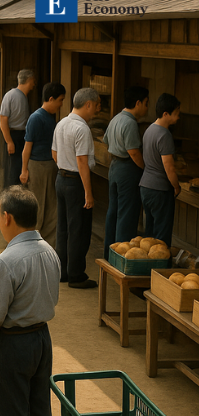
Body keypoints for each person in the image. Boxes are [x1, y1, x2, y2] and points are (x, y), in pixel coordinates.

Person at [0, 186, 60, 416]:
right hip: (42, 339)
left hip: (13, 343)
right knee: (39, 412)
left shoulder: (7, 261)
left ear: (7, 217)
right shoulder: (50, 252)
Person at [52, 87, 100, 289]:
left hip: (61, 178)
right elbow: (82, 162)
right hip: (75, 182)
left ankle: (62, 271)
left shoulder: (61, 123)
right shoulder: (82, 128)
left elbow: (54, 153)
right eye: (96, 105)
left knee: (63, 227)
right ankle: (76, 274)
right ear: (88, 104)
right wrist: (88, 192)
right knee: (78, 229)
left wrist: (64, 166)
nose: (97, 109)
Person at [103, 86, 149, 258]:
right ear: (138, 103)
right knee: (126, 215)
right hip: (127, 169)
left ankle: (109, 253)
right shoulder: (130, 123)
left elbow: (106, 140)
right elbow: (134, 152)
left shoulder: (115, 118)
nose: (147, 107)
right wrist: (146, 169)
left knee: (113, 212)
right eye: (146, 103)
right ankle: (121, 256)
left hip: (115, 167)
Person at [20, 82, 65, 249]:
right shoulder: (36, 118)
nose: (61, 104)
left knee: (52, 209)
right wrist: (24, 170)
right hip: (37, 166)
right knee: (38, 206)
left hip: (50, 166)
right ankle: (30, 245)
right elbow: (27, 147)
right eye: (60, 100)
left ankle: (46, 246)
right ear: (51, 99)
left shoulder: (50, 117)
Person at [140, 93, 182, 247]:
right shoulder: (164, 135)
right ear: (166, 114)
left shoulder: (149, 130)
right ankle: (159, 262)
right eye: (176, 113)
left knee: (150, 235)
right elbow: (169, 167)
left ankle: (148, 262)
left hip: (146, 186)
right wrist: (176, 186)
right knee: (161, 238)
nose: (178, 117)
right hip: (160, 189)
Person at [0, 69, 36, 187]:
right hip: (14, 135)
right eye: (33, 81)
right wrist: (9, 141)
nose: (34, 84)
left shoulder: (23, 96)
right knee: (13, 169)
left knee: (19, 167)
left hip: (22, 135)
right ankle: (10, 193)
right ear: (29, 80)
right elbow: (3, 119)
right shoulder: (10, 95)